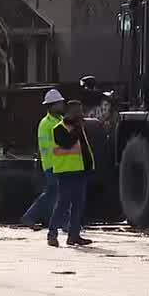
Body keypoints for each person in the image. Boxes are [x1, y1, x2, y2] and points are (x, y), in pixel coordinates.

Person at [47, 99, 94, 248]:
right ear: (70, 112)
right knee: (63, 204)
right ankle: (52, 234)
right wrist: (77, 128)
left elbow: (84, 149)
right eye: (78, 112)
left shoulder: (78, 128)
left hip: (80, 171)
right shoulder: (58, 129)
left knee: (78, 205)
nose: (81, 114)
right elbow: (67, 143)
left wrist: (89, 166)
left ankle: (74, 236)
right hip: (66, 172)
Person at [21, 88, 65, 230]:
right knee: (54, 192)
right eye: (59, 103)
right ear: (52, 105)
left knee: (54, 193)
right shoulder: (46, 124)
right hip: (52, 164)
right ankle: (30, 217)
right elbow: (49, 146)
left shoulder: (60, 121)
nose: (62, 105)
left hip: (61, 164)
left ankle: (39, 218)